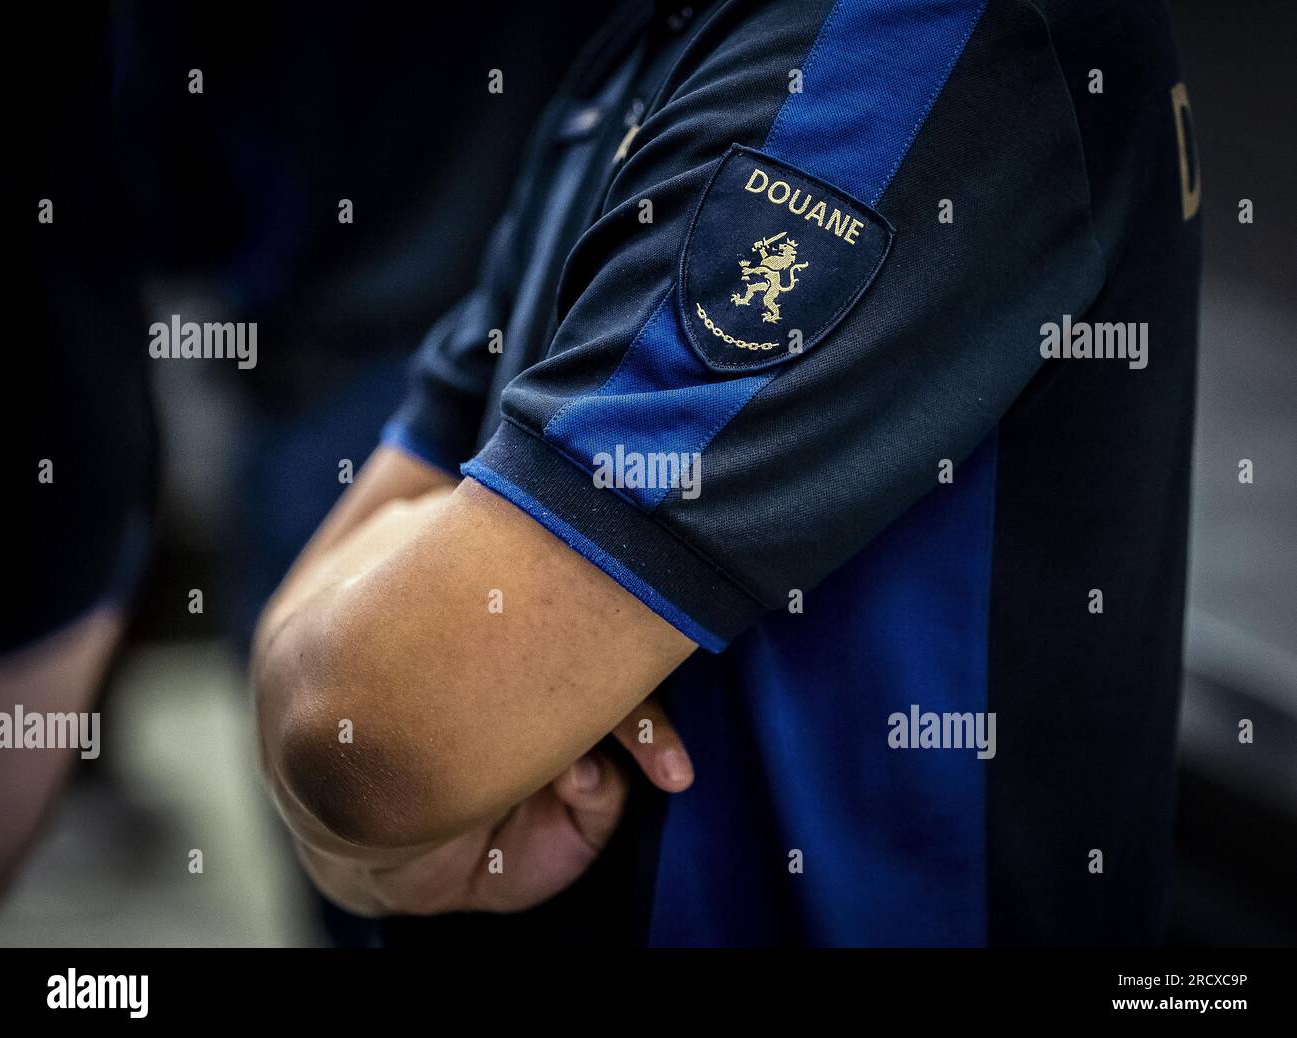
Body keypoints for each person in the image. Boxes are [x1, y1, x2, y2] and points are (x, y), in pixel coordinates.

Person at [253, 0, 1201, 946]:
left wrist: (376, 706)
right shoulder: (647, 41)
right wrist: (353, 747)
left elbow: (374, 729)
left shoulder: (924, 37)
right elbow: (336, 689)